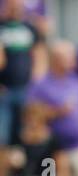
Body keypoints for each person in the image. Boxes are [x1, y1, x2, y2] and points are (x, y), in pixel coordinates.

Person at [24, 39, 78, 176]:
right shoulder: (41, 85)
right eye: (68, 57)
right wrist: (57, 112)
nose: (73, 61)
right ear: (56, 59)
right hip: (48, 150)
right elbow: (30, 114)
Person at [0, 0, 46, 147]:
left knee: (24, 133)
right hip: (4, 90)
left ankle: (24, 168)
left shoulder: (30, 28)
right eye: (11, 6)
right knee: (3, 135)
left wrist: (36, 81)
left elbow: (40, 55)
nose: (14, 9)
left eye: (17, 6)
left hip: (26, 89)